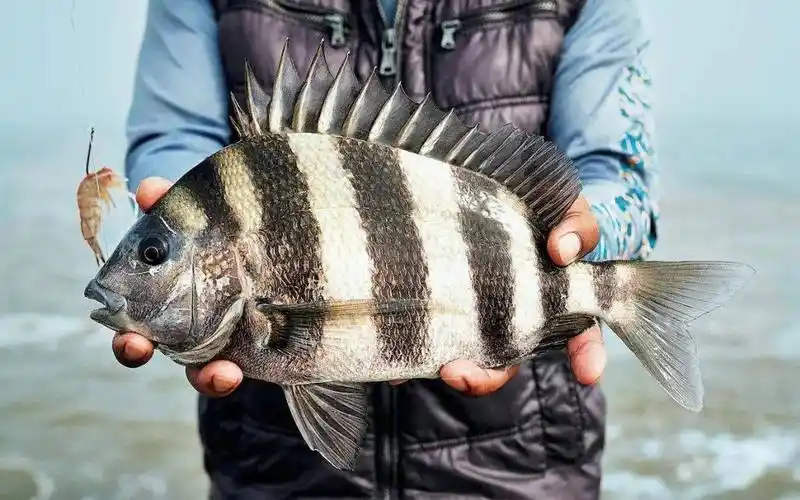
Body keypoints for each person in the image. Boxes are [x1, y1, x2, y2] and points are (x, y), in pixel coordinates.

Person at [118, 0, 658, 497]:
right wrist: (170, 186)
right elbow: (176, 134)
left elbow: (613, 169)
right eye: (153, 257)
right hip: (273, 466)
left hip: (522, 459)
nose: (127, 277)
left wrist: (585, 243)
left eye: (150, 258)